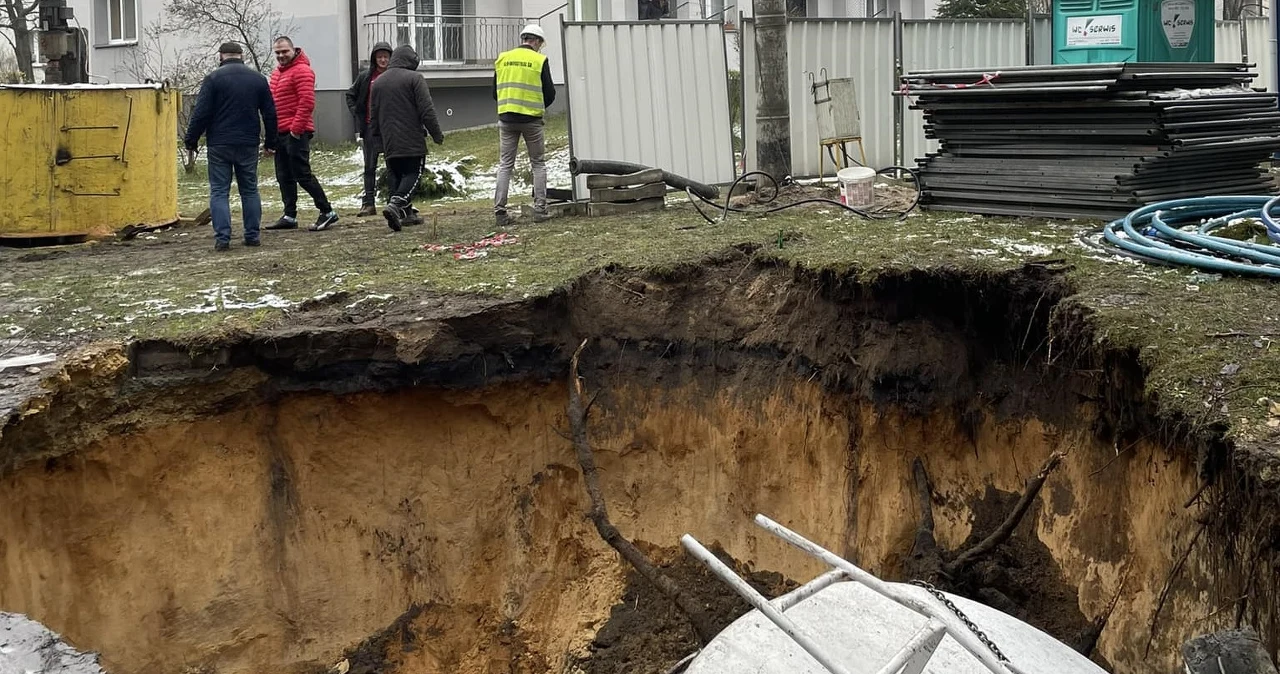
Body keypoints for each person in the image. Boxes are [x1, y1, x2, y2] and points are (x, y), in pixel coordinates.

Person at [183, 41, 278, 252]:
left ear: (220, 57)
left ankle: (223, 239)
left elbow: (201, 113)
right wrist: (271, 142)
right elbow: (270, 113)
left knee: (219, 191)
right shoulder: (258, 79)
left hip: (219, 143)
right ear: (242, 55)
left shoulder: (213, 79)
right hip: (247, 142)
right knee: (250, 190)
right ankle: (252, 235)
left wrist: (191, 139)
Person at [369, 44, 445, 232]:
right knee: (413, 174)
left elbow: (374, 114)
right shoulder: (414, 78)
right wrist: (436, 134)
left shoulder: (378, 82)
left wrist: (378, 140)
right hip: (411, 138)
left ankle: (406, 214)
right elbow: (426, 109)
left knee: (396, 174)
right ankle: (396, 205)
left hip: (389, 140)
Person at [266, 36, 339, 232]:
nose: (281, 55)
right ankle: (289, 215)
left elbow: (306, 102)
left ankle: (327, 211)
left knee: (302, 174)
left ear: (293, 50)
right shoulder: (276, 74)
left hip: (296, 132)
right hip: (280, 132)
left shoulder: (302, 71)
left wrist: (295, 131)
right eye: (278, 53)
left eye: (284, 52)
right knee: (283, 176)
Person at [492, 24, 556, 227]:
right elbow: (551, 93)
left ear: (523, 39)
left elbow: (495, 92)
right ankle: (540, 209)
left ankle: (500, 212)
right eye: (540, 44)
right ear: (536, 41)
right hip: (531, 121)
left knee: (505, 165)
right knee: (538, 163)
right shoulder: (539, 60)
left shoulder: (503, 58)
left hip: (507, 119)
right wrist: (537, 106)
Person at [345, 41, 393, 217]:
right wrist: (356, 113)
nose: (382, 60)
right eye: (379, 57)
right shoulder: (366, 77)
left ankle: (394, 202)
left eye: (386, 57)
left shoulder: (394, 76)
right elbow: (350, 95)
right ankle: (369, 203)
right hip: (370, 128)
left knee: (392, 167)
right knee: (369, 167)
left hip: (389, 129)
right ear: (374, 59)